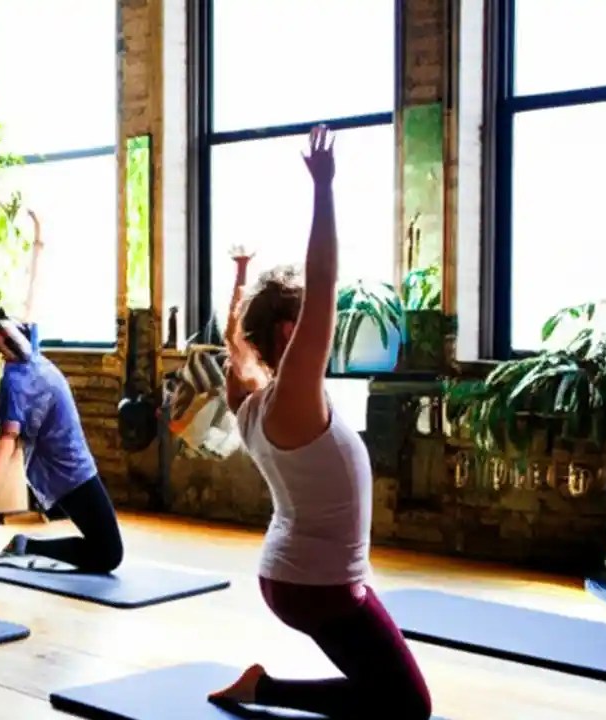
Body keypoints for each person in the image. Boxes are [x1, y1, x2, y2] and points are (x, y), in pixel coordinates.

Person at [206, 126, 432, 719]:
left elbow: (235, 345)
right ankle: (264, 691)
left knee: (392, 690)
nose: (320, 324)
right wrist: (324, 188)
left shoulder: (251, 401)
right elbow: (325, 280)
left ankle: (262, 688)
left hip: (306, 577)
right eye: (305, 317)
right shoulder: (292, 398)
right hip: (315, 586)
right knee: (408, 709)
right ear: (289, 333)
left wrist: (239, 277)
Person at [0, 211, 125, 575]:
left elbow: (33, 294)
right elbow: (4, 448)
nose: (17, 328)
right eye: (6, 331)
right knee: (109, 555)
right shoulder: (14, 384)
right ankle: (26, 545)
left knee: (104, 549)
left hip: (75, 462)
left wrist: (39, 240)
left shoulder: (30, 347)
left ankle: (31, 538)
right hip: (65, 473)